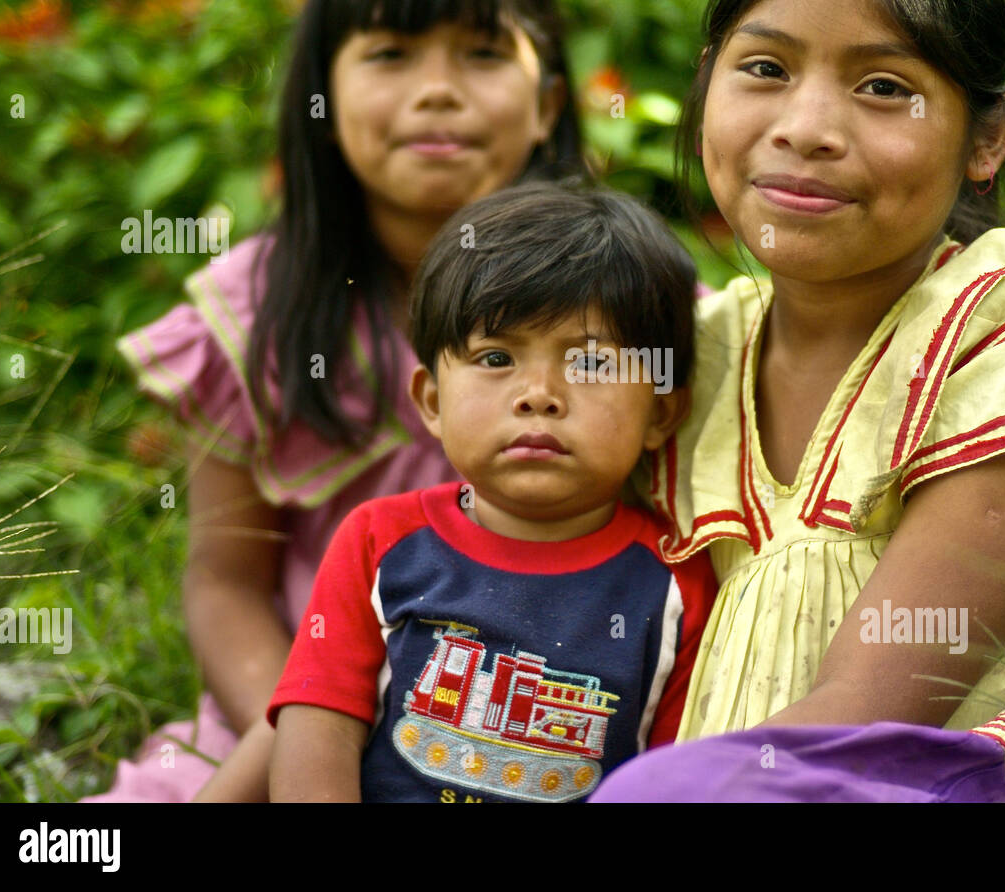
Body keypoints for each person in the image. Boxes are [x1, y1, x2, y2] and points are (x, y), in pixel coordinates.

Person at [595, 0, 1005, 803]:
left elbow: (854, 731)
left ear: (987, 138)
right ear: (705, 88)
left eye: (885, 88)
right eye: (765, 68)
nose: (805, 129)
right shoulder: (686, 358)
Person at [93, 0, 584, 802]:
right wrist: (305, 734)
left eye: (481, 51)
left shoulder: (623, 312)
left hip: (546, 726)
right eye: (390, 54)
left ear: (547, 103)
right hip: (279, 720)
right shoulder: (255, 313)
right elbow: (224, 578)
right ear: (322, 96)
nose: (438, 88)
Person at [266, 182, 717, 802]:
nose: (538, 394)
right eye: (497, 358)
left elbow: (672, 780)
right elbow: (317, 725)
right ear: (431, 400)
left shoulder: (678, 582)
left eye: (589, 364)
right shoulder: (379, 542)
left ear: (661, 414)